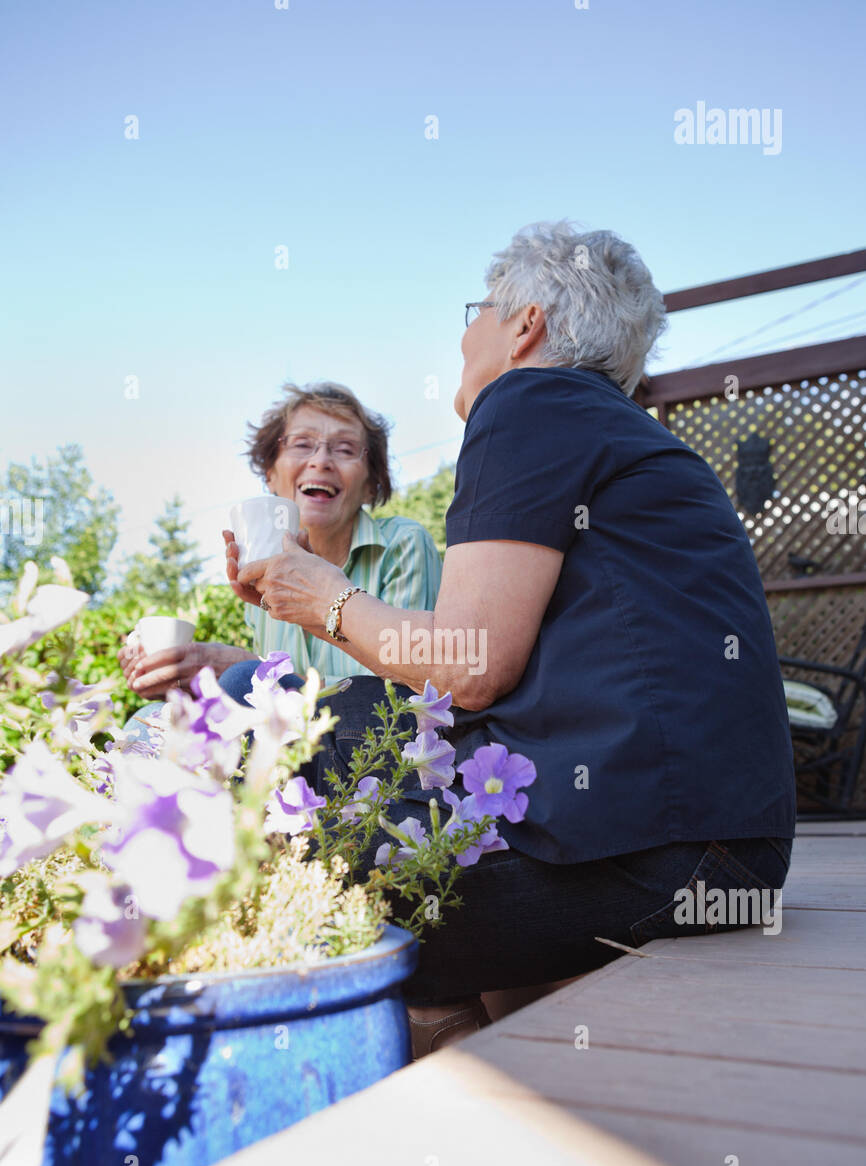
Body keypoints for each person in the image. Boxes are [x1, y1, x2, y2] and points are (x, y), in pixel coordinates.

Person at [221, 222, 796, 1058]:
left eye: (476, 312)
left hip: (660, 855)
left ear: (524, 324)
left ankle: (447, 1075)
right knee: (307, 721)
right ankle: (483, 1040)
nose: (463, 336)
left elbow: (472, 667)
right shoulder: (613, 430)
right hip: (722, 854)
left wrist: (322, 600)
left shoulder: (531, 402)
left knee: (288, 799)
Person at [118, 382, 442, 721]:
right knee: (150, 719)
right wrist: (186, 677)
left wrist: (250, 668)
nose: (321, 461)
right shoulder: (262, 575)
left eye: (345, 449)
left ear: (372, 483)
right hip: (297, 750)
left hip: (379, 748)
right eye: (302, 444)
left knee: (242, 678)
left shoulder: (403, 544)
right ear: (270, 475)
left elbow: (410, 690)